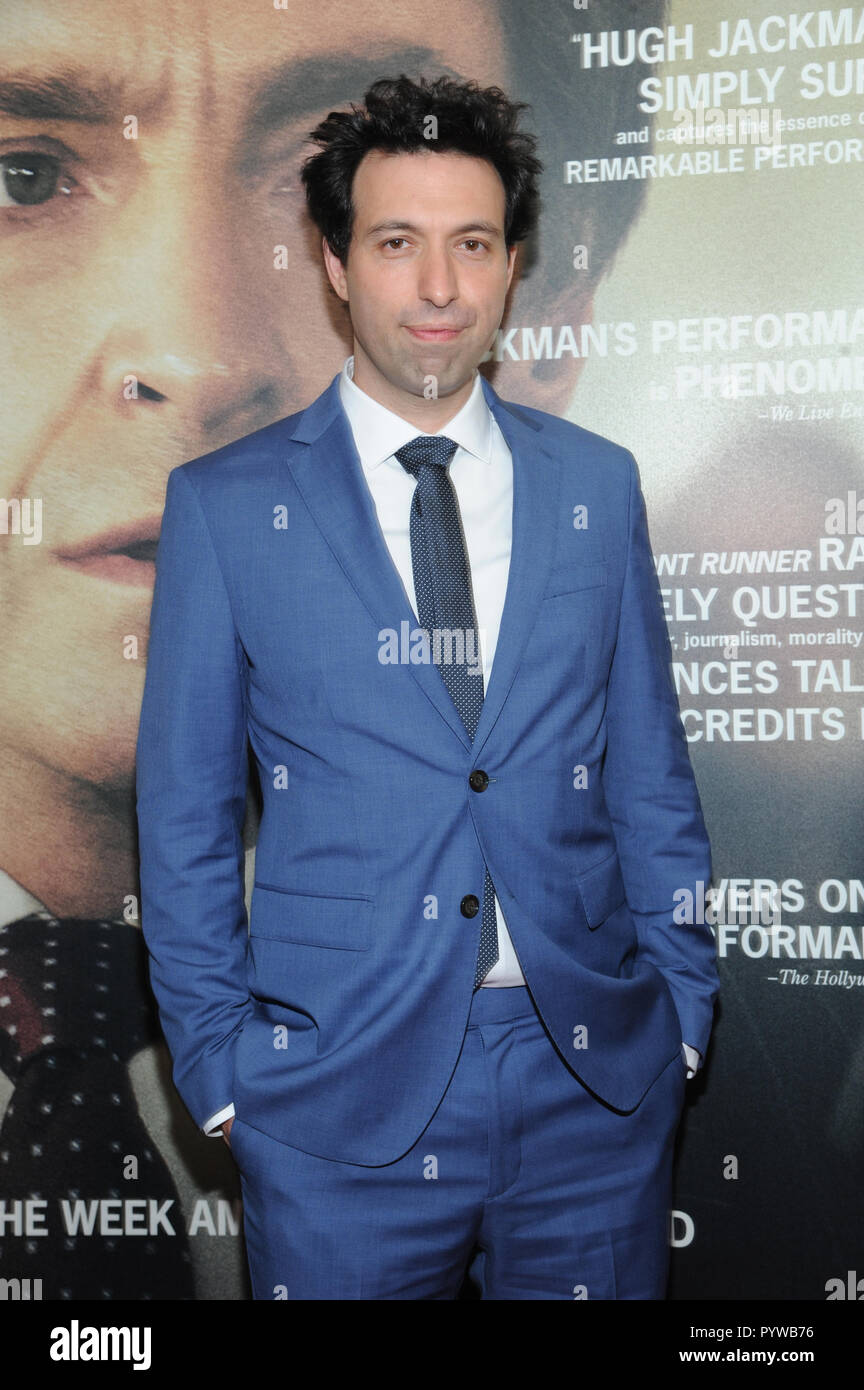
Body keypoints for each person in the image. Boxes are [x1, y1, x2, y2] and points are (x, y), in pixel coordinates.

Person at [136, 72, 718, 1301]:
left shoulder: (596, 487)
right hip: (332, 1092)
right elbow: (183, 817)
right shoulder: (229, 505)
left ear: (514, 266)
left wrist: (679, 1015)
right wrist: (220, 1067)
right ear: (339, 265)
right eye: (398, 243)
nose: (440, 287)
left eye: (472, 244)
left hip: (590, 1084)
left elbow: (650, 774)